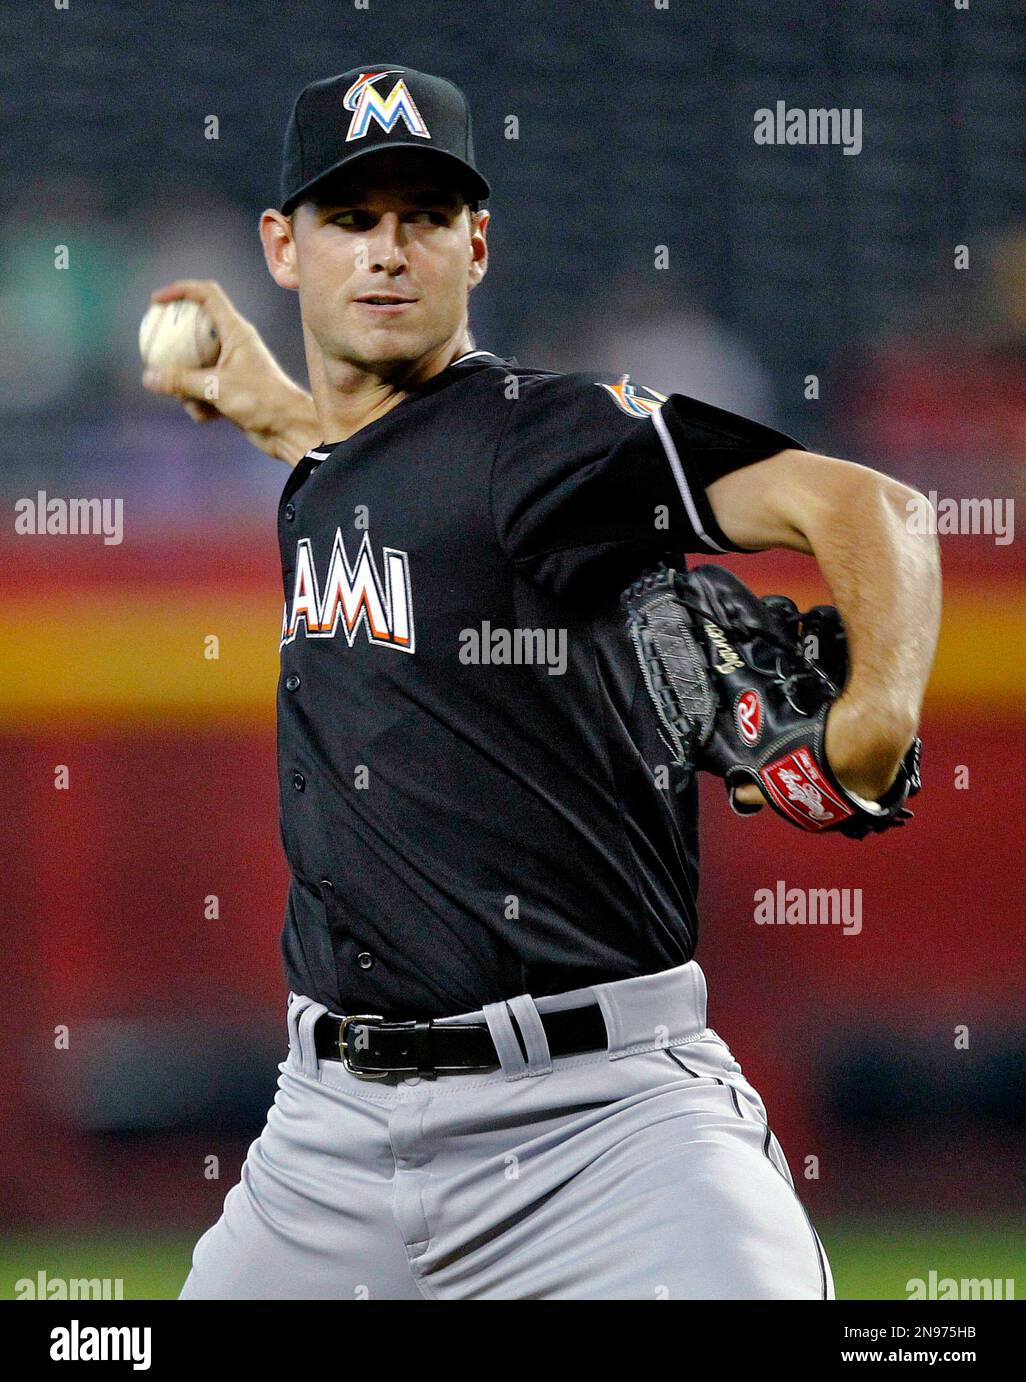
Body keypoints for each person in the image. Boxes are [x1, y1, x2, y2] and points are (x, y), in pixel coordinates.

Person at [144, 65, 941, 1300]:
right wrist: (260, 403)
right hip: (325, 1139)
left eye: (422, 217)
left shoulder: (548, 431)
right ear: (283, 249)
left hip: (599, 1129)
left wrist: (880, 716)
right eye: (352, 219)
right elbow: (397, 486)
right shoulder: (341, 461)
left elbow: (870, 505)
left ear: (477, 243)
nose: (389, 251)